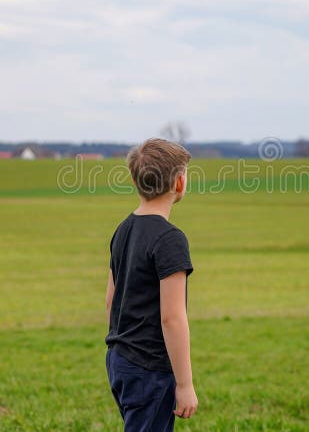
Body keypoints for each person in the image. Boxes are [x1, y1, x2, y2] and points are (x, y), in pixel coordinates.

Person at [105, 138, 198, 431]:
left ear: (135, 181)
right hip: (150, 368)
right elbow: (172, 318)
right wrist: (184, 384)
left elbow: (111, 301)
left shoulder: (123, 228)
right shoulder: (170, 240)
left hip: (120, 358)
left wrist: (123, 349)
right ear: (179, 183)